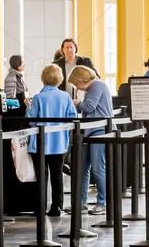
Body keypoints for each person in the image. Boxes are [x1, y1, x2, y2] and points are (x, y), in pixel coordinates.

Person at [27, 65, 77, 216]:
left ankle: (40, 207)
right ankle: (57, 206)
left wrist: (28, 107)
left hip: (40, 144)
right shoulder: (65, 97)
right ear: (59, 79)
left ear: (43, 79)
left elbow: (31, 120)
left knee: (41, 176)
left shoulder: (38, 98)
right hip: (59, 143)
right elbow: (72, 116)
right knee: (57, 175)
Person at [67, 65, 112, 215]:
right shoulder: (94, 87)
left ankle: (102, 202)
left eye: (77, 84)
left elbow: (89, 107)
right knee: (82, 169)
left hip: (99, 131)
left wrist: (78, 103)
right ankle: (80, 203)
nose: (77, 88)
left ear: (82, 79)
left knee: (98, 168)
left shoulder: (97, 85)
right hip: (89, 132)